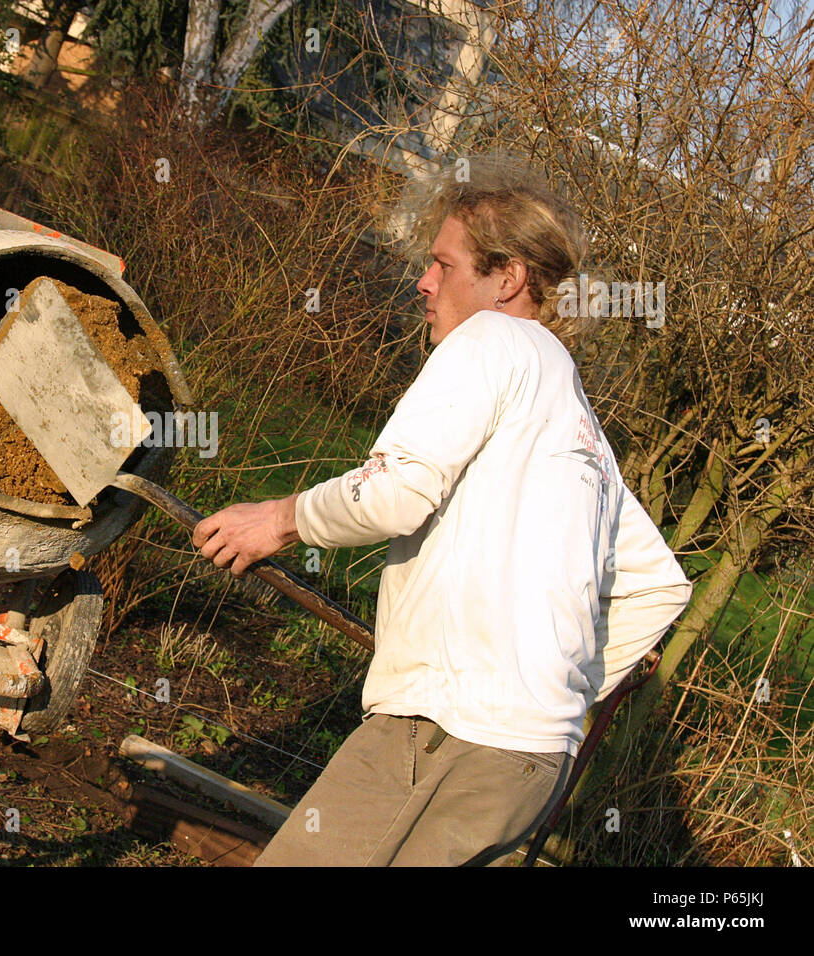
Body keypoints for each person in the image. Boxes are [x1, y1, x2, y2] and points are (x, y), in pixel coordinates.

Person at [191, 155, 693, 866]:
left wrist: (277, 519)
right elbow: (658, 586)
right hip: (528, 762)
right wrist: (552, 691)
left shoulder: (489, 340)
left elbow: (398, 492)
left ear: (508, 279)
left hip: (442, 734)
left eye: (444, 264)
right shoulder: (577, 420)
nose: (424, 281)